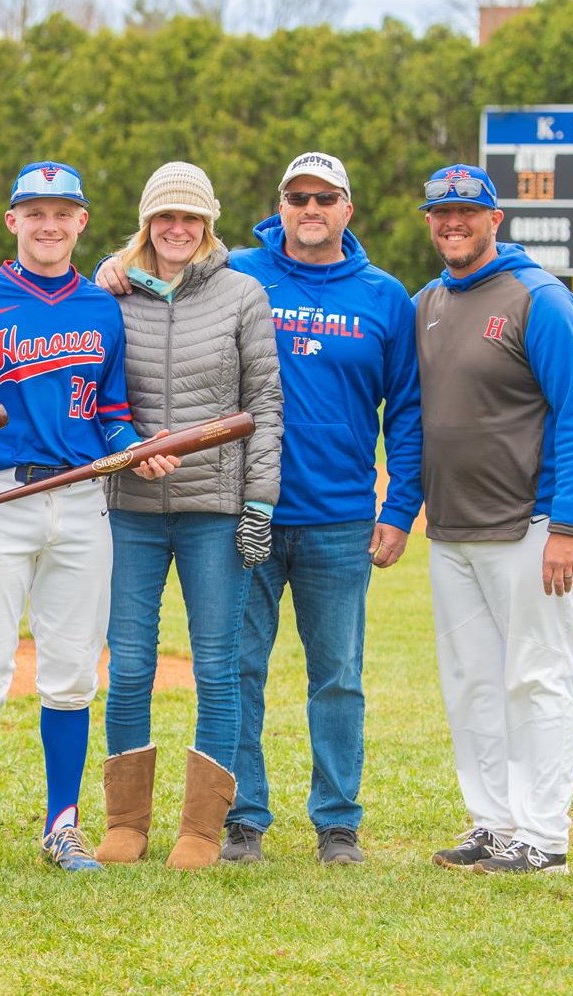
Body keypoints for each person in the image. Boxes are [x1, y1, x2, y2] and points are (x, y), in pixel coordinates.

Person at [0, 162, 178, 876]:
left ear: (81, 221)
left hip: (80, 501)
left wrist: (134, 448)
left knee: (72, 673)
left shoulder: (102, 308)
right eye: (35, 212)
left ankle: (63, 825)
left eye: (62, 212)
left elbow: (110, 410)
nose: (49, 225)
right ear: (12, 220)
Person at [219, 152, 423, 866]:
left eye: (325, 198)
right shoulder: (236, 272)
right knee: (238, 670)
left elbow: (408, 411)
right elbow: (158, 259)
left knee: (337, 676)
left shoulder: (384, 296)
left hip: (339, 518)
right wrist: (114, 270)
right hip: (244, 510)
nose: (311, 209)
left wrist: (400, 506)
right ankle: (242, 818)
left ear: (347, 209)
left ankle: (337, 823)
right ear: (279, 205)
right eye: (298, 197)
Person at [413, 165, 573, 875]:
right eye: (441, 212)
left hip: (529, 526)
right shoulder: (428, 301)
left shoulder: (539, 298)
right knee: (472, 683)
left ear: (495, 219)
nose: (453, 222)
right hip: (452, 528)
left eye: (467, 210)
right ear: (429, 221)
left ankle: (543, 837)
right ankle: (493, 823)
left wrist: (566, 526)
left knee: (539, 677)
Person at [90, 161, 282, 868]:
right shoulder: (110, 293)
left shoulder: (243, 294)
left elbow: (265, 404)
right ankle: (126, 824)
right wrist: (126, 452)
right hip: (132, 508)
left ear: (208, 224)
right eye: (165, 217)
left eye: (191, 218)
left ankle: (201, 829)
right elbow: (93, 393)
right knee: (131, 665)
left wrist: (259, 502)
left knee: (217, 669)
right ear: (147, 224)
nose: (178, 229)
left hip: (215, 511)